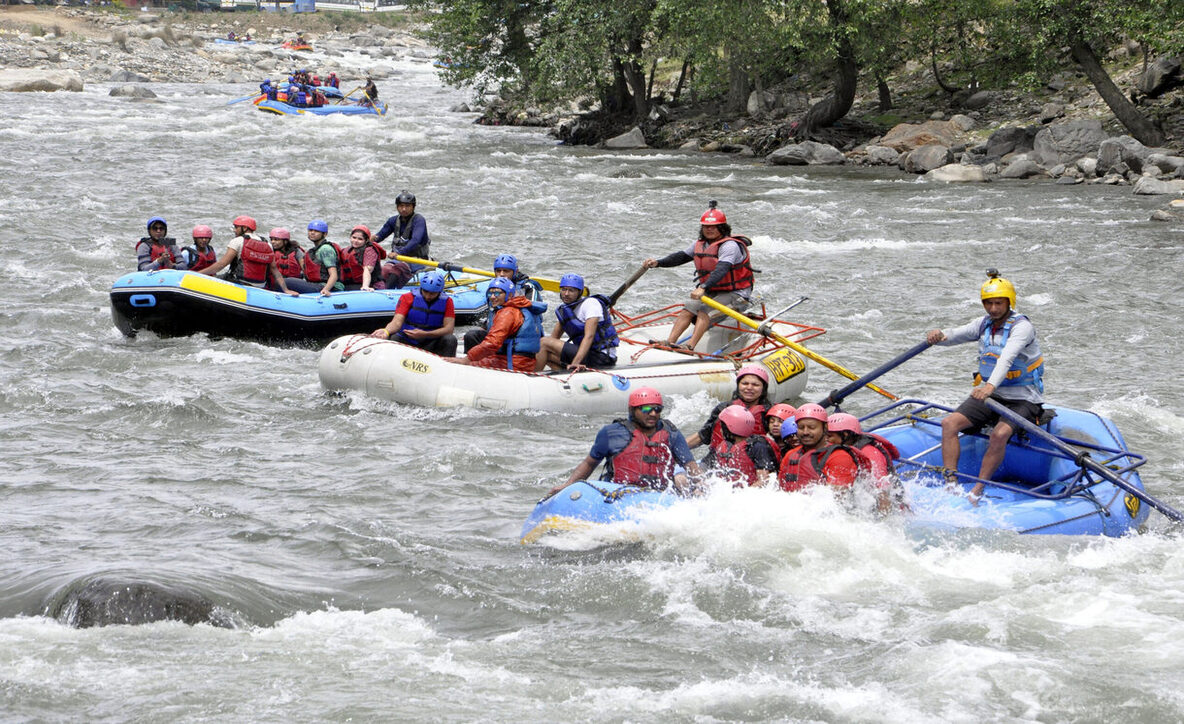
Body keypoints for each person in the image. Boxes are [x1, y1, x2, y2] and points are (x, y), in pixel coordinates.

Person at [925, 270, 1045, 502]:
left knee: (999, 435)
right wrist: (938, 335)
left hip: (1023, 398)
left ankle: (978, 488)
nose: (993, 308)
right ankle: (951, 482)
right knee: (949, 424)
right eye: (988, 303)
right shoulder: (983, 324)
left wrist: (989, 386)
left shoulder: (1022, 327)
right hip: (992, 396)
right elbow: (953, 336)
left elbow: (1007, 358)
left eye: (998, 303)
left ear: (1009, 302)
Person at [641, 201, 755, 351]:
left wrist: (704, 287)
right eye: (706, 227)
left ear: (722, 227)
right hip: (714, 292)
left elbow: (722, 269)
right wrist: (658, 263)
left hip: (737, 294)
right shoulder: (701, 244)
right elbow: (680, 257)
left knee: (704, 310)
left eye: (713, 226)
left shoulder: (730, 246)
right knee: (688, 307)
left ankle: (689, 346)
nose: (709, 230)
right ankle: (670, 342)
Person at [552, 387, 701, 496]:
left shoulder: (671, 433)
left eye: (657, 409)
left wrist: (700, 484)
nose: (653, 413)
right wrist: (569, 484)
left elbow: (690, 465)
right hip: (619, 493)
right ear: (632, 410)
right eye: (646, 409)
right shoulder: (611, 432)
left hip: (658, 495)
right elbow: (589, 463)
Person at [452, 277, 542, 370]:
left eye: (497, 293)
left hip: (510, 363)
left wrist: (468, 359)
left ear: (510, 295)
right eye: (490, 293)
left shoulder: (507, 312)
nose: (492, 296)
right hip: (523, 362)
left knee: (462, 364)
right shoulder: (521, 307)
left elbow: (492, 343)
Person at [778, 404, 871, 493]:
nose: (805, 432)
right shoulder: (791, 455)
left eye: (812, 427)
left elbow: (838, 499)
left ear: (825, 427)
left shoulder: (840, 457)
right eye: (801, 427)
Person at [535, 273, 619, 371]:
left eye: (571, 290)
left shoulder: (590, 304)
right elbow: (554, 339)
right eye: (563, 289)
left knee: (543, 342)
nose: (566, 294)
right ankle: (564, 379)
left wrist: (575, 363)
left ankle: (533, 378)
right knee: (546, 353)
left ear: (580, 292)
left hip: (601, 356)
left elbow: (589, 336)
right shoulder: (565, 310)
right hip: (586, 355)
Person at [198, 216, 298, 296]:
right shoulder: (267, 244)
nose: (234, 230)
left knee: (214, 278)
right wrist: (286, 290)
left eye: (236, 227)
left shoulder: (238, 241)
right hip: (260, 285)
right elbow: (275, 270)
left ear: (244, 228)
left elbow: (221, 265)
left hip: (239, 283)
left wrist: (199, 274)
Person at [463, 254, 542, 352]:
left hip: (519, 334)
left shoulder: (528, 288)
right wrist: (483, 328)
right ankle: (472, 362)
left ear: (515, 272)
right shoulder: (495, 289)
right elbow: (492, 313)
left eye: (506, 271)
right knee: (471, 336)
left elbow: (533, 315)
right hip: (499, 331)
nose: (501, 274)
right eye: (498, 271)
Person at [370, 270, 458, 356]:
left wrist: (426, 334)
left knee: (450, 339)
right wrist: (386, 331)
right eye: (425, 291)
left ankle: (446, 365)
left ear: (439, 292)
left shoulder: (447, 302)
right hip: (409, 340)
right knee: (395, 338)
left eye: (432, 293)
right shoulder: (407, 298)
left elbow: (449, 329)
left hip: (432, 341)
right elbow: (397, 322)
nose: (428, 296)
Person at [827, 412, 900, 512]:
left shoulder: (869, 452)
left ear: (845, 435)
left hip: (892, 507)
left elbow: (882, 491)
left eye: (830, 436)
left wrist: (884, 521)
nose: (826, 440)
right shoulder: (843, 451)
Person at [686, 365, 772, 449]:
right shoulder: (723, 408)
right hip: (717, 458)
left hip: (751, 459)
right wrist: (675, 449)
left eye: (755, 385)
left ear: (763, 389)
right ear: (738, 386)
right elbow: (702, 436)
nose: (749, 387)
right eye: (745, 383)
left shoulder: (769, 413)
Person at [699, 405, 779, 488]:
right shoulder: (724, 446)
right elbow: (706, 466)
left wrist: (742, 496)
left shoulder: (757, 446)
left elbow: (764, 480)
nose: (720, 430)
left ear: (730, 428)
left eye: (723, 427)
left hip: (748, 494)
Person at [375, 191, 430, 289]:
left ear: (413, 207)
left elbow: (416, 240)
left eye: (407, 206)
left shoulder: (419, 220)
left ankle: (387, 291)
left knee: (399, 268)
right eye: (401, 206)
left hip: (417, 260)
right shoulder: (393, 221)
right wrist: (370, 239)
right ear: (397, 207)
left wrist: (399, 253)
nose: (404, 209)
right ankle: (380, 291)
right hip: (398, 260)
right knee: (385, 269)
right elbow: (380, 236)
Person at [297, 219, 344, 296]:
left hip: (330, 287)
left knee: (287, 282)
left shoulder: (326, 249)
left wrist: (325, 289)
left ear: (325, 234)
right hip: (317, 284)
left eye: (316, 231)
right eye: (310, 230)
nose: (312, 233)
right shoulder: (314, 250)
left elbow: (334, 275)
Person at [339, 225, 386, 291]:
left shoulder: (370, 250)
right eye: (354, 237)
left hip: (372, 285)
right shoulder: (347, 250)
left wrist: (365, 286)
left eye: (360, 239)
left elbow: (368, 269)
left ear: (366, 240)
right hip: (353, 284)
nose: (355, 241)